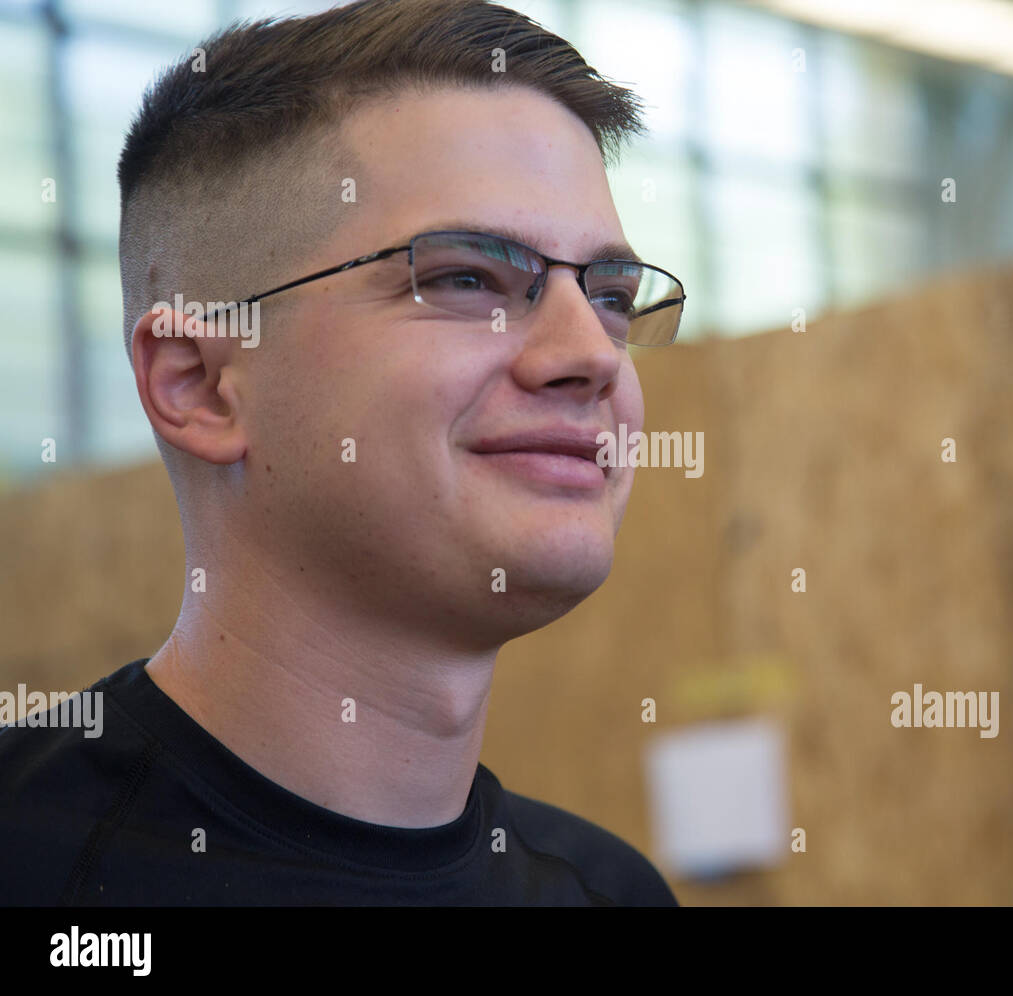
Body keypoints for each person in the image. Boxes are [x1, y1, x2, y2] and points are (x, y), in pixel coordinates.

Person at [0, 0, 684, 906]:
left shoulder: (609, 892)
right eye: (466, 277)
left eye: (609, 293)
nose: (594, 356)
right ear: (198, 384)